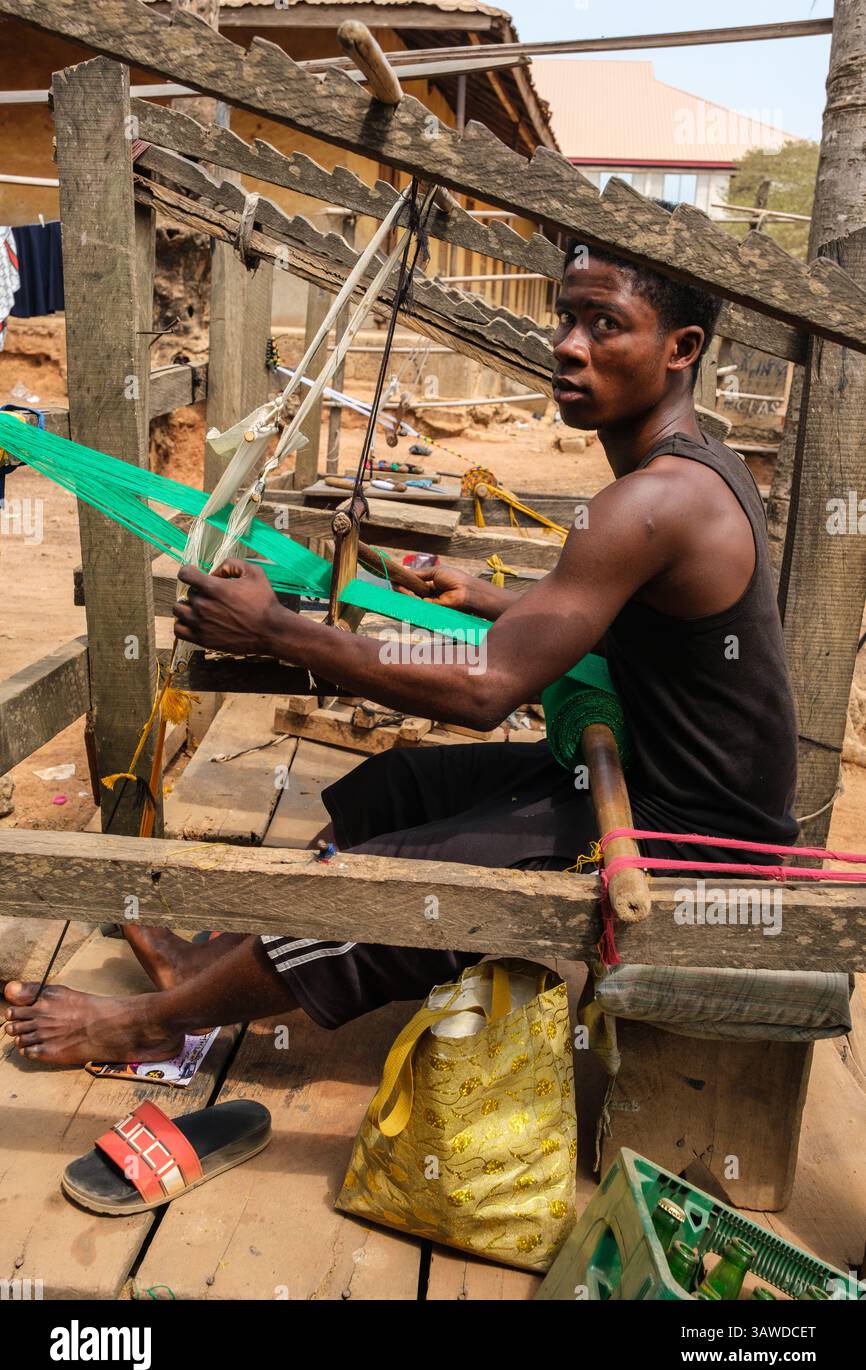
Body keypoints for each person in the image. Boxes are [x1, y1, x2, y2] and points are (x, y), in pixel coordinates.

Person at [3, 230, 798, 1063]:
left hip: (690, 834)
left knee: (383, 884)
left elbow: (484, 692)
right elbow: (635, 614)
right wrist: (493, 597)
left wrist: (276, 629)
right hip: (651, 777)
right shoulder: (694, 468)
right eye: (567, 317)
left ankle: (150, 1025)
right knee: (396, 786)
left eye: (605, 325)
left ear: (682, 349)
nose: (567, 344)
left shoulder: (656, 499)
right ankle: (205, 964)